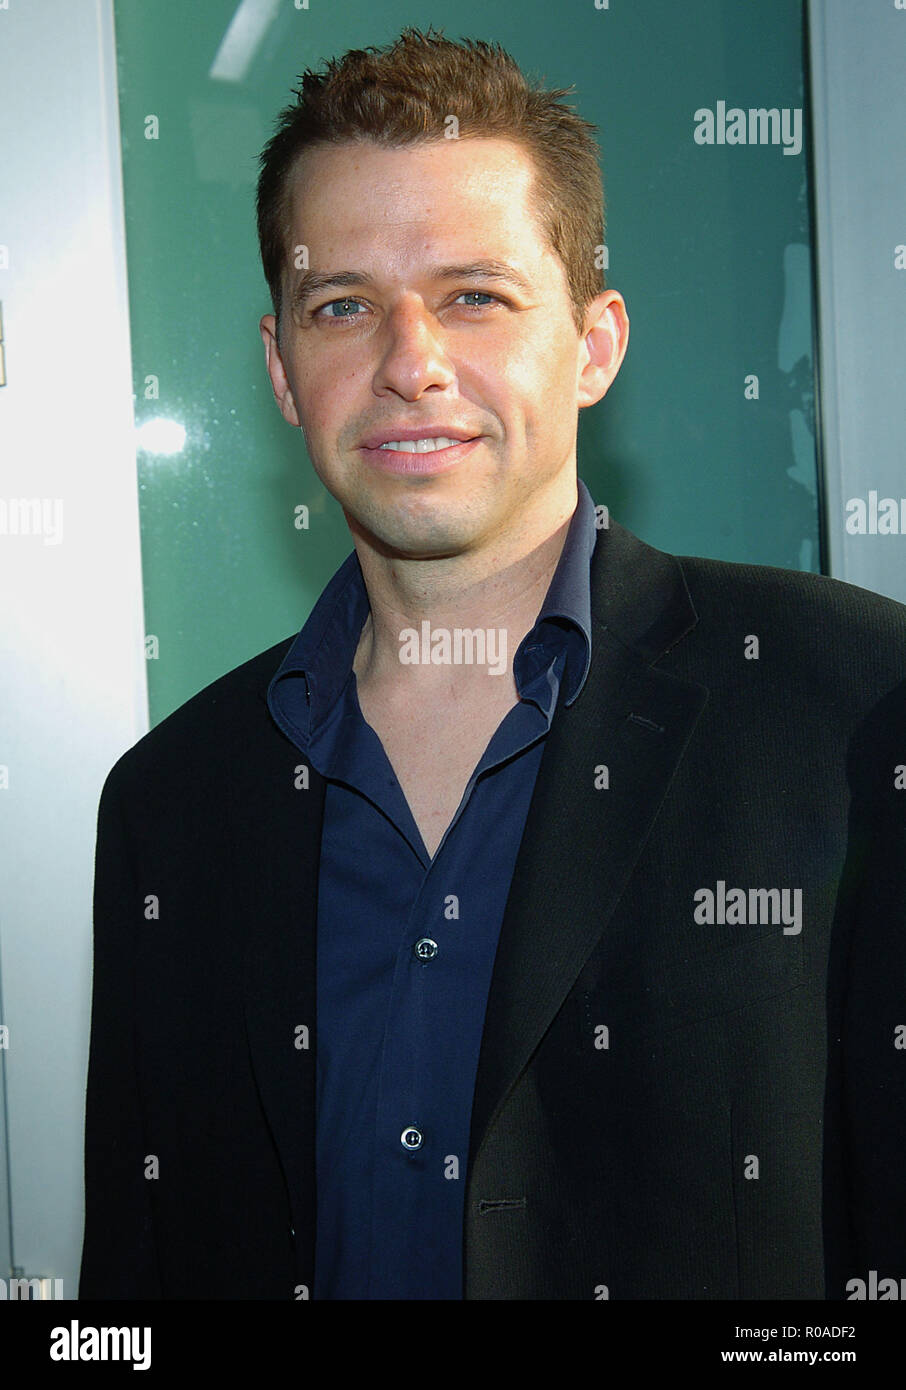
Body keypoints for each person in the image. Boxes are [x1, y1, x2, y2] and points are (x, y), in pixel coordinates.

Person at [79, 26, 906, 1301]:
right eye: (342, 304)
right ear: (283, 371)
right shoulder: (168, 806)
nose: (411, 362)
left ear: (593, 342)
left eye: (475, 294)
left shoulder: (853, 707)